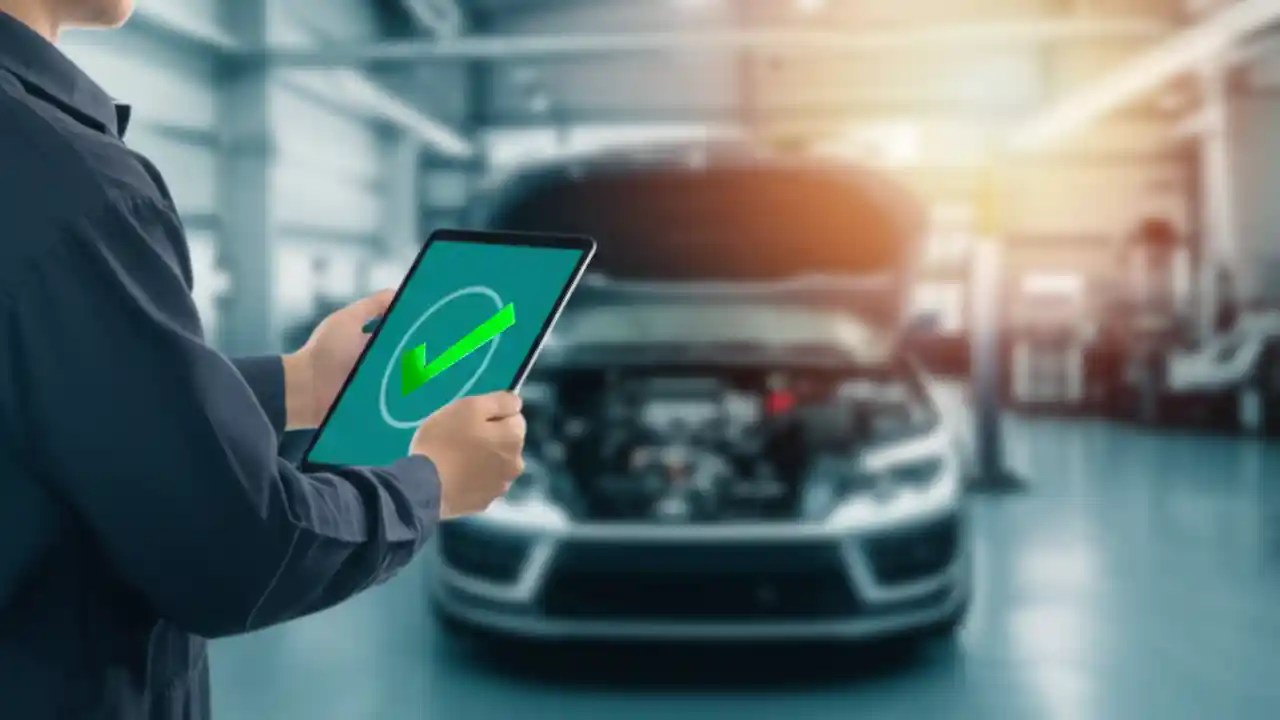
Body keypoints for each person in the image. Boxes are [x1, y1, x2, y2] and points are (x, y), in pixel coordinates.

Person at [0, 2, 525, 717]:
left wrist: (299, 384)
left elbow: (49, 400)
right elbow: (230, 552)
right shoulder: (73, 184)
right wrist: (431, 484)